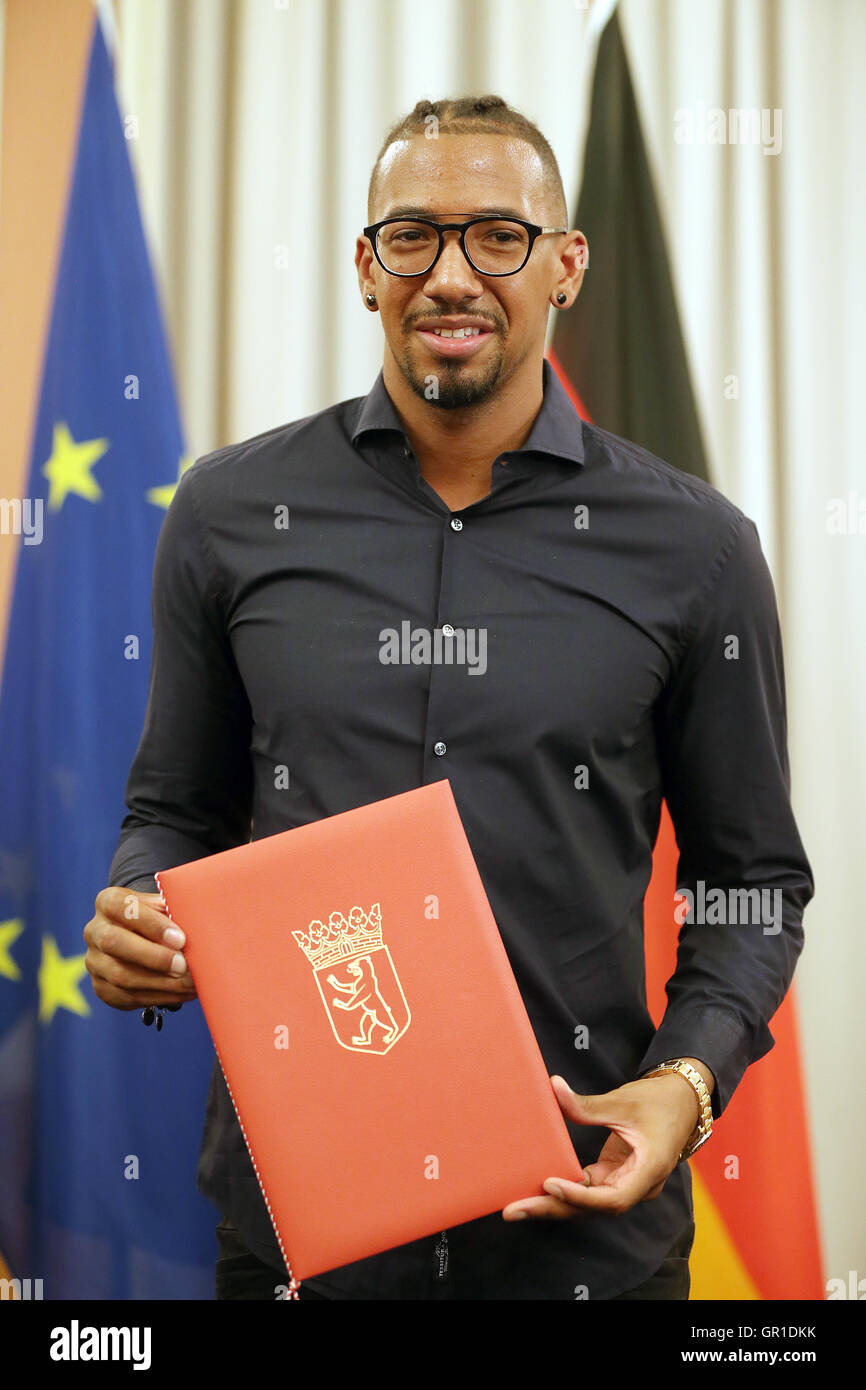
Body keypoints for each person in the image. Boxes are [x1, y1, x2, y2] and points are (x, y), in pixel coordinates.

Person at [84, 95, 813, 1301]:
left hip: (584, 1238)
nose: (452, 274)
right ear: (365, 269)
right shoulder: (225, 513)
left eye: (497, 236)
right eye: (412, 236)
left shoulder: (697, 549)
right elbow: (171, 808)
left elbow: (752, 881)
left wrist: (682, 1082)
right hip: (299, 1241)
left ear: (565, 266)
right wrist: (141, 907)